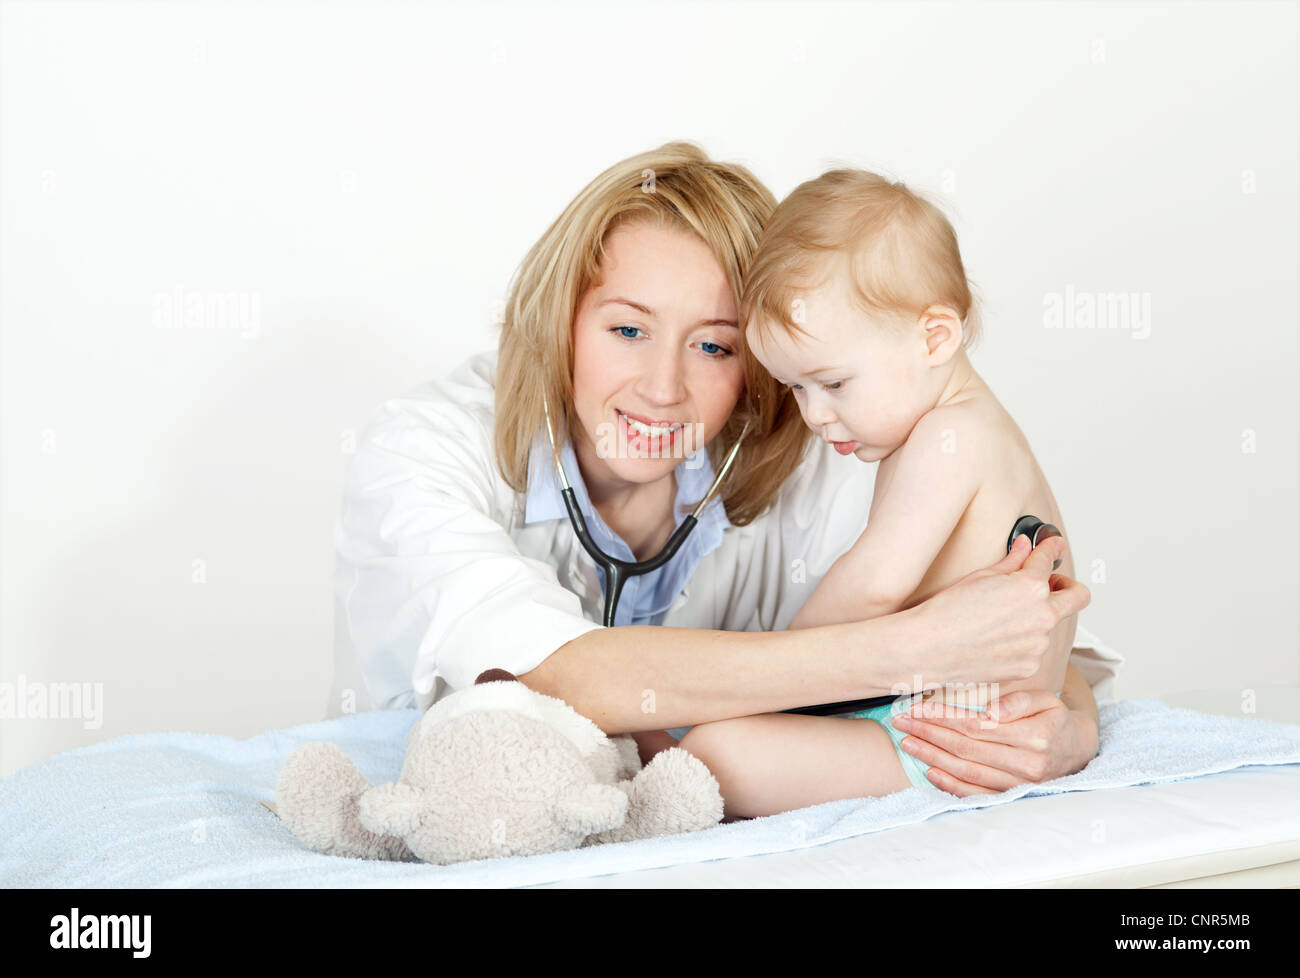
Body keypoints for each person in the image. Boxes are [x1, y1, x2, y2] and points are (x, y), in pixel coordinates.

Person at [327, 141, 1121, 797]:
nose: (663, 388)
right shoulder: (423, 450)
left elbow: (1030, 627)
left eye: (714, 346)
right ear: (557, 315)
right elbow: (563, 675)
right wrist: (911, 649)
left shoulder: (831, 440)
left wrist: (1066, 734)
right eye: (628, 330)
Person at [669, 167, 1083, 815]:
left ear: (935, 337)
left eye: (832, 383)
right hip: (940, 717)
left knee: (717, 754)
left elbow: (874, 587)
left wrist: (779, 673)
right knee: (700, 739)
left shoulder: (950, 437)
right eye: (795, 388)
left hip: (952, 743)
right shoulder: (965, 429)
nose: (813, 414)